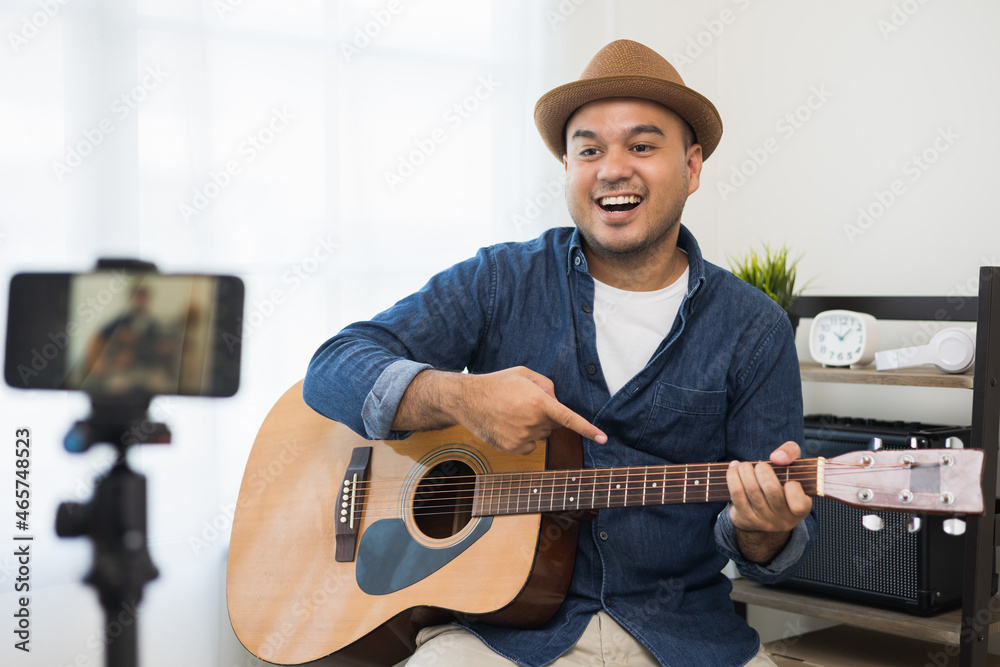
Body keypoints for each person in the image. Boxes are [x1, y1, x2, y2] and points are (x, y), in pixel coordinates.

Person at [303, 39, 816, 667]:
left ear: (692, 166)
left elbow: (769, 549)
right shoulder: (499, 280)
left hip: (684, 639)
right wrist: (461, 396)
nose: (612, 168)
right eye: (589, 149)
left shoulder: (754, 327)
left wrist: (762, 531)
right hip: (497, 635)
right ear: (569, 168)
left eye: (642, 146)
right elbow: (332, 367)